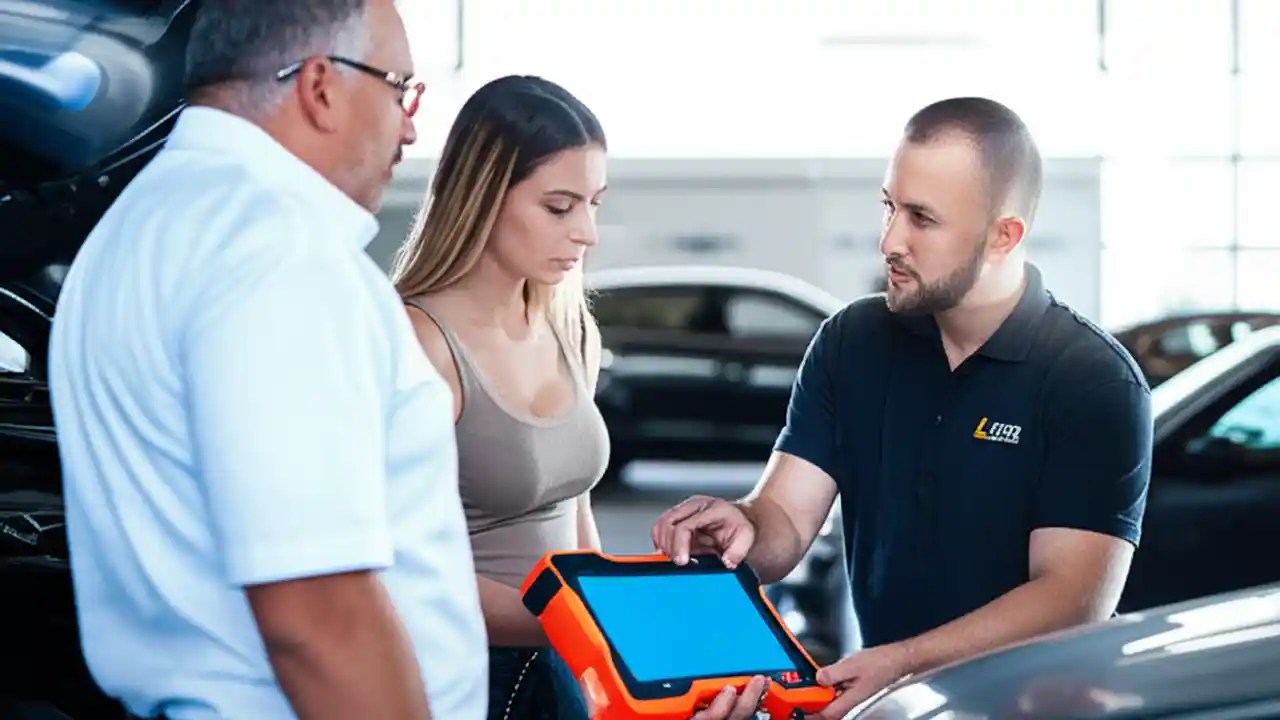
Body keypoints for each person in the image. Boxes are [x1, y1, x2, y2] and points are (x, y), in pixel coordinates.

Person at [46, 1, 487, 718]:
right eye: (400, 89)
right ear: (321, 86)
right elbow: (317, 616)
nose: (409, 127)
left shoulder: (138, 226)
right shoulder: (281, 250)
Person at [652, 97, 1153, 720]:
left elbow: (1071, 598)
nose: (889, 240)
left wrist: (905, 661)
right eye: (889, 206)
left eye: (922, 219)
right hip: (896, 705)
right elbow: (784, 518)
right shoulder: (852, 342)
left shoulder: (1092, 380)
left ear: (1003, 236)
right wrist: (744, 526)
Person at [391, 74, 610, 720]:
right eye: (560, 207)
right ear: (484, 196)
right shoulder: (418, 343)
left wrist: (609, 630)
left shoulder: (571, 327)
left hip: (570, 667)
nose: (587, 233)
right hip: (467, 677)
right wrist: (581, 626)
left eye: (595, 203)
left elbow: (578, 517)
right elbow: (396, 571)